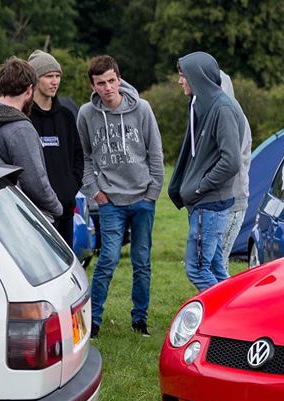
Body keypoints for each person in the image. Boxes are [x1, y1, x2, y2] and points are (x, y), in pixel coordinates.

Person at [78, 55, 164, 337]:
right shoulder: (87, 114)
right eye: (101, 83)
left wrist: (152, 192)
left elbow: (156, 152)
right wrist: (95, 192)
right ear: (93, 85)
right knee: (107, 260)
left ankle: (140, 320)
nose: (108, 88)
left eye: (112, 81)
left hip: (142, 198)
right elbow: (85, 158)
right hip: (110, 201)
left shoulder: (142, 109)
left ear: (119, 79)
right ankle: (94, 321)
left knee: (142, 262)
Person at [167, 52, 245, 291]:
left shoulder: (222, 110)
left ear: (198, 77)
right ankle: (237, 318)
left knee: (198, 269)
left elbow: (231, 161)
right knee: (215, 268)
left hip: (210, 204)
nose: (180, 81)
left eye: (183, 76)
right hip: (207, 203)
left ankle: (222, 319)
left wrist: (201, 186)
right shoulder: (204, 105)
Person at [0, 57, 63, 221]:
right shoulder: (21, 129)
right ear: (29, 90)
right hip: (15, 219)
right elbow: (35, 184)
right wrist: (57, 208)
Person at [28, 50, 84, 247]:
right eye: (48, 76)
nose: (55, 81)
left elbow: (78, 156)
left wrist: (70, 188)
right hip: (36, 212)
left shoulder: (66, 116)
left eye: (57, 76)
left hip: (66, 210)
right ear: (34, 80)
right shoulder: (24, 119)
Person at [217, 71, 252, 273]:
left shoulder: (232, 117)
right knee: (213, 263)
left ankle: (224, 305)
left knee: (218, 264)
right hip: (217, 200)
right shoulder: (217, 116)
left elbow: (230, 162)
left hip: (232, 200)